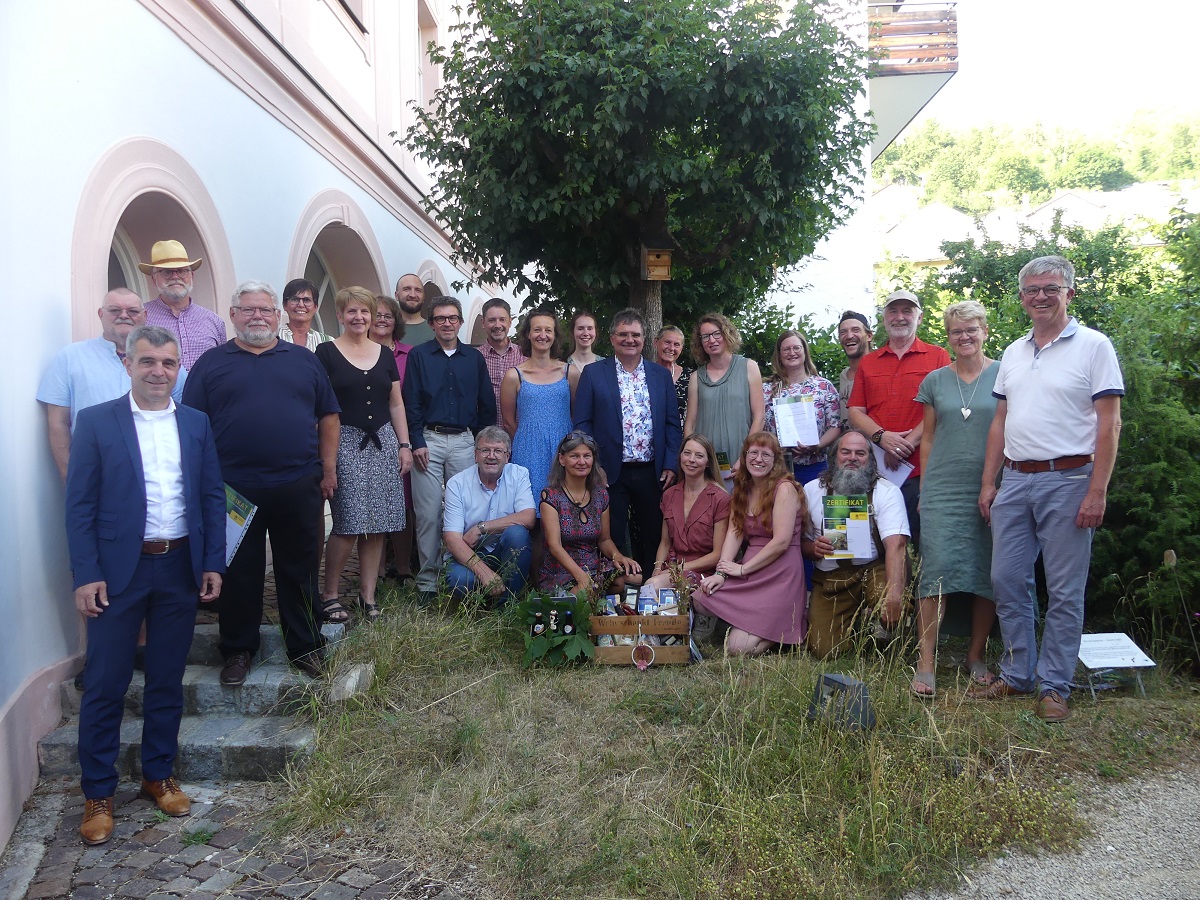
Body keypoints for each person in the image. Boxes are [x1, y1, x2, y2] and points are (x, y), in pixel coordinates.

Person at [66, 325, 224, 845]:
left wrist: (212, 563)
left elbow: (210, 498)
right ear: (128, 365)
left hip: (178, 566)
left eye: (168, 363)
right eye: (148, 362)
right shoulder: (96, 422)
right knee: (106, 684)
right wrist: (86, 573)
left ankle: (158, 774)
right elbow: (80, 506)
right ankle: (98, 794)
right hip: (116, 574)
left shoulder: (197, 423)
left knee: (165, 679)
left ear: (178, 368)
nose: (158, 371)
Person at [971, 256, 1124, 723]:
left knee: (1063, 590)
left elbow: (1110, 422)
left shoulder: (1094, 346)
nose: (1041, 296)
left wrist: (1097, 491)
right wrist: (989, 481)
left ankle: (1054, 685)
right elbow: (1001, 420)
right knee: (1006, 580)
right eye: (1032, 289)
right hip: (1015, 480)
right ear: (1021, 298)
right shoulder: (1014, 353)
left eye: (1051, 288)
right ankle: (1018, 675)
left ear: (1069, 294)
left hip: (1070, 478)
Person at [182, 281, 340, 685]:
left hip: (297, 482)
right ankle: (237, 649)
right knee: (238, 571)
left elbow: (328, 417)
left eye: (265, 310)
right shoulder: (211, 364)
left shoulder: (304, 361)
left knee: (299, 567)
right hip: (232, 489)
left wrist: (328, 470)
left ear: (278, 316)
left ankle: (305, 646)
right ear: (233, 315)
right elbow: (192, 426)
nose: (257, 316)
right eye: (248, 309)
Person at [910, 301, 1000, 697]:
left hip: (991, 488)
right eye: (956, 331)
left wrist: (996, 483)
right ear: (947, 336)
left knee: (986, 575)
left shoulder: (1004, 374)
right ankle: (925, 661)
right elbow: (927, 439)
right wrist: (925, 489)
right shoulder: (934, 380)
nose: (964, 337)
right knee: (935, 575)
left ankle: (975, 655)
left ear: (984, 331)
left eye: (971, 329)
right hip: (942, 491)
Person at [315, 287, 413, 623]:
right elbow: (319, 406)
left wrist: (404, 445)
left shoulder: (385, 355)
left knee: (379, 523)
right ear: (340, 315)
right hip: (344, 441)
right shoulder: (325, 352)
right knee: (348, 521)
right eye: (352, 312)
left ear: (373, 317)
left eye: (365, 312)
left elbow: (396, 403)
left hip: (384, 443)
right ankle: (329, 594)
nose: (359, 318)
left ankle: (367, 596)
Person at [574, 308, 681, 578]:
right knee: (612, 535)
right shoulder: (593, 373)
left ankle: (650, 590)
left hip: (652, 470)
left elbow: (671, 424)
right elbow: (582, 424)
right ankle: (615, 594)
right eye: (623, 334)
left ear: (644, 340)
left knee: (653, 534)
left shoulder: (660, 375)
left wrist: (671, 464)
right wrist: (593, 465)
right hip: (609, 471)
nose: (629, 339)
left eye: (635, 335)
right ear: (611, 338)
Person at [403, 296, 496, 603]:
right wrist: (415, 440)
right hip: (428, 440)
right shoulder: (419, 356)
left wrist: (481, 444)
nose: (447, 323)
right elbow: (411, 402)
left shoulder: (474, 358)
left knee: (468, 512)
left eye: (452, 318)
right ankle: (428, 582)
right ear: (431, 324)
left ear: (460, 322)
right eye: (440, 318)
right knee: (428, 512)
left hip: (465, 442)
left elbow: (486, 404)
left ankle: (463, 574)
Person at [38, 289, 186, 481]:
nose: (124, 316)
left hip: (157, 472)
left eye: (132, 311)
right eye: (115, 310)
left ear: (144, 315)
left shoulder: (167, 365)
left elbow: (181, 418)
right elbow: (58, 423)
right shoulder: (71, 357)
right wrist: (70, 477)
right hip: (94, 471)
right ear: (101, 314)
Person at [848, 290, 950, 547]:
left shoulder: (938, 357)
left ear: (920, 317)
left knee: (924, 541)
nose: (900, 317)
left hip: (921, 470)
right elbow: (855, 411)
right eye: (893, 311)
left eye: (907, 311)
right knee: (873, 542)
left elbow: (941, 408)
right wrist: (884, 438)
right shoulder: (868, 363)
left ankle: (923, 589)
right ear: (884, 319)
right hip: (874, 471)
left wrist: (905, 445)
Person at [803, 431, 911, 659]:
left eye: (860, 453)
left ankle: (886, 624)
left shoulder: (887, 491)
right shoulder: (811, 490)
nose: (852, 457)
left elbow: (896, 546)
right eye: (846, 452)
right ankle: (857, 626)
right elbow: (801, 542)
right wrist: (813, 549)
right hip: (832, 578)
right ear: (834, 457)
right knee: (824, 650)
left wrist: (892, 597)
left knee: (892, 607)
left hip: (874, 570)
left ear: (870, 460)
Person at [697, 432, 806, 655]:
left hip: (780, 573)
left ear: (776, 460)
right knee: (700, 599)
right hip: (748, 572)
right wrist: (721, 572)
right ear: (745, 456)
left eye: (766, 454)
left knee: (737, 649)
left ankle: (786, 631)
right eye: (753, 453)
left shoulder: (784, 489)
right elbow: (735, 531)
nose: (758, 459)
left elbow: (781, 542)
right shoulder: (743, 487)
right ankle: (750, 623)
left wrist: (742, 568)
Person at [537, 431, 640, 593]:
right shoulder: (551, 496)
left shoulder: (600, 494)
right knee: (587, 590)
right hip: (562, 571)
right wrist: (581, 576)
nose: (582, 462)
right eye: (574, 456)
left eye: (587, 456)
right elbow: (554, 545)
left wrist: (617, 556)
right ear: (562, 459)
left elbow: (604, 540)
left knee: (634, 578)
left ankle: (607, 609)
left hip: (594, 567)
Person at [442, 427, 536, 604]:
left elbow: (528, 517)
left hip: (504, 551)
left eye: (498, 451)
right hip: (471, 554)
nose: (491, 456)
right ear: (475, 454)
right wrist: (485, 573)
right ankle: (480, 602)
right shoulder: (457, 483)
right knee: (460, 581)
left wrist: (481, 528)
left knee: (518, 534)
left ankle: (506, 606)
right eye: (485, 450)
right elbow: (452, 539)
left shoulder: (519, 474)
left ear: (507, 456)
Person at [501, 309, 578, 511]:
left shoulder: (570, 372)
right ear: (528, 334)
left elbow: (576, 413)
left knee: (565, 508)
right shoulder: (514, 375)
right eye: (537, 330)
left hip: (563, 449)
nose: (542, 335)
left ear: (555, 336)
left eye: (548, 330)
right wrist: (530, 439)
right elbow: (508, 421)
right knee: (531, 510)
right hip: (528, 451)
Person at [684, 313, 764, 486]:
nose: (711, 340)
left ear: (727, 333)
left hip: (741, 457)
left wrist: (746, 457)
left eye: (716, 333)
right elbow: (690, 423)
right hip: (705, 462)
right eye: (705, 336)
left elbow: (759, 416)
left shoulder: (749, 367)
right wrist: (693, 458)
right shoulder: (696, 377)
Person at [644, 433, 730, 593]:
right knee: (649, 585)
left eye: (699, 456)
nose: (691, 460)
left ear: (708, 463)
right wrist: (657, 568)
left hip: (703, 571)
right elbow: (665, 542)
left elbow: (718, 554)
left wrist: (679, 568)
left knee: (652, 587)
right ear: (680, 456)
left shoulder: (720, 498)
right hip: (669, 569)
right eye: (687, 453)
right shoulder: (669, 494)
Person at [371, 294, 415, 584]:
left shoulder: (411, 354)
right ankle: (372, 571)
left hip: (402, 432)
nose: (382, 319)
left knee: (404, 501)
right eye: (376, 314)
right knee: (372, 503)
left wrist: (408, 441)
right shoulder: (351, 351)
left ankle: (403, 568)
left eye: (387, 315)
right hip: (367, 434)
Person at [762, 329, 842, 485]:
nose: (792, 352)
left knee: (814, 508)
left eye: (796, 348)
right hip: (775, 467)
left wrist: (816, 446)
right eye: (786, 349)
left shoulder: (823, 386)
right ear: (779, 354)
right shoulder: (766, 389)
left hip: (814, 467)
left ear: (805, 351)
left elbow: (835, 427)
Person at [139, 240, 227, 369]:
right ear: (153, 278)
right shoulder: (140, 317)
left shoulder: (214, 321)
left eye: (182, 271)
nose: (175, 277)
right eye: (166, 272)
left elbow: (222, 365)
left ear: (192, 276)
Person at [479, 298, 527, 425]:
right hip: (485, 435)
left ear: (510, 322)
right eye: (491, 320)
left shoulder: (525, 357)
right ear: (483, 323)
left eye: (502, 319)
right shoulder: (474, 358)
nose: (497, 325)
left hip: (518, 432)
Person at [836, 311, 873, 428]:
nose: (849, 336)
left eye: (856, 330)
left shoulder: (880, 372)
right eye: (843, 332)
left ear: (869, 336)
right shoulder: (844, 375)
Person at [653, 325, 692, 428]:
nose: (671, 348)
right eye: (667, 342)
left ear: (681, 348)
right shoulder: (644, 374)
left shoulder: (690, 377)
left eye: (676, 345)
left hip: (680, 439)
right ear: (656, 342)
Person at [279, 278, 330, 350]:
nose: (301, 305)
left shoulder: (327, 343)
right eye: (295, 299)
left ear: (315, 307)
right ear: (284, 305)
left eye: (307, 300)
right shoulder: (272, 339)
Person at [395, 273, 434, 346]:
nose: (412, 295)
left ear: (424, 297)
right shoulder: (387, 328)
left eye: (418, 290)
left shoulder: (435, 330)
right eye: (406, 289)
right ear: (396, 295)